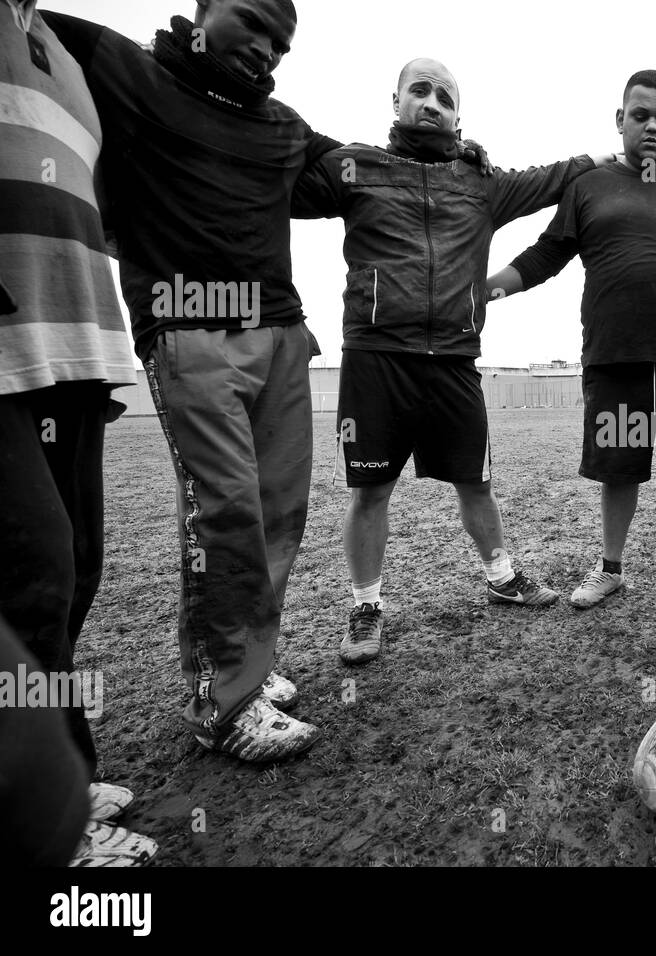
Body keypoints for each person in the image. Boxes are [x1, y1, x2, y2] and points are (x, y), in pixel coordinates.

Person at [39, 1, 479, 762]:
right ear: (204, 10)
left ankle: (244, 667)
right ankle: (225, 704)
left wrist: (458, 161)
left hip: (281, 329)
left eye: (282, 41)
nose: (266, 49)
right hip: (186, 326)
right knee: (225, 514)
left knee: (277, 513)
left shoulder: (284, 126)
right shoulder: (123, 68)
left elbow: (376, 172)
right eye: (252, 22)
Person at [293, 58, 620, 664]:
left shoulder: (482, 184)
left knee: (476, 479)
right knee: (371, 488)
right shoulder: (354, 166)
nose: (432, 102)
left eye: (445, 96)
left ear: (459, 116)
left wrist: (614, 156)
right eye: (420, 90)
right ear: (394, 101)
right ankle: (365, 607)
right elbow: (275, 189)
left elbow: (553, 176)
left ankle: (502, 577)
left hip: (455, 359)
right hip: (376, 355)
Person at [487, 71, 656, 609]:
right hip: (616, 355)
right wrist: (487, 290)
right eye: (640, 116)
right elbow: (545, 257)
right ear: (620, 120)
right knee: (619, 465)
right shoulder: (587, 188)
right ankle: (610, 568)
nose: (651, 127)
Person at [0, 0, 155, 863]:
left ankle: (57, 768)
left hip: (75, 340)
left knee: (72, 571)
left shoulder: (63, 47)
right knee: (30, 574)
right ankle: (40, 830)